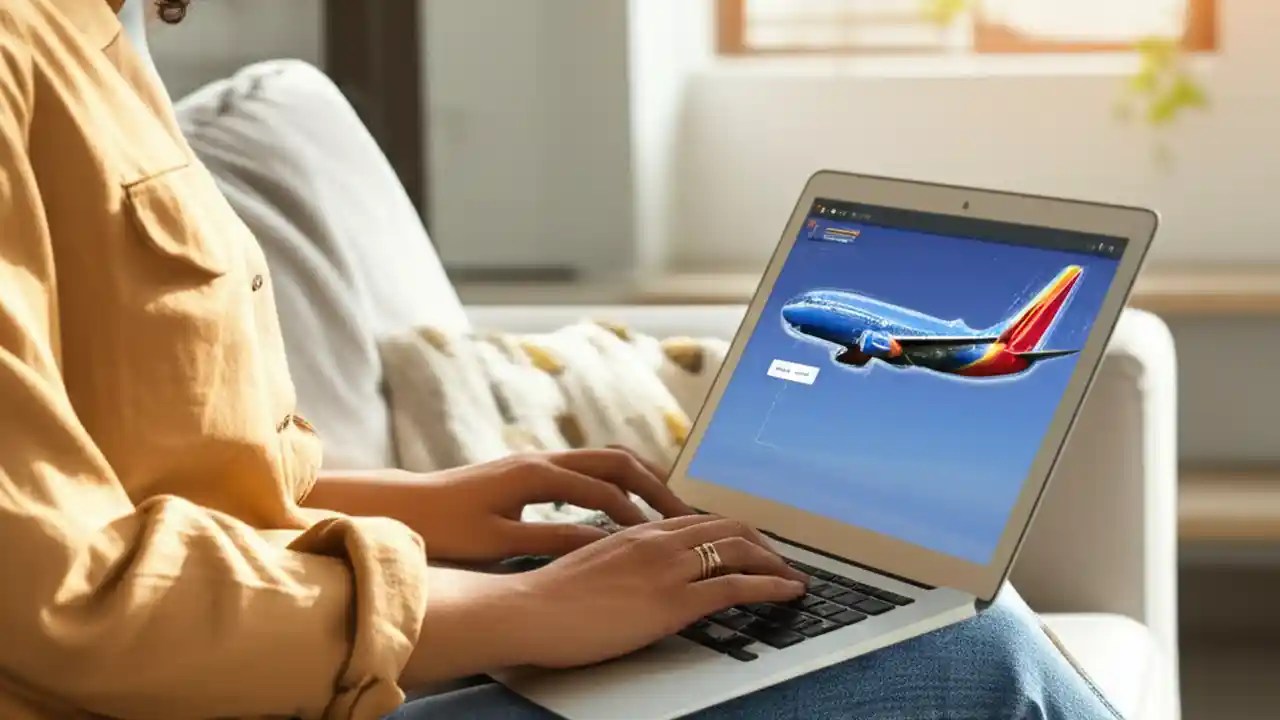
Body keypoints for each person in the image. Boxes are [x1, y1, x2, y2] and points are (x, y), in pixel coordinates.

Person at [0, 1, 1123, 718]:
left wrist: (424, 507)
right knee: (981, 659)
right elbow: (50, 591)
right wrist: (520, 617)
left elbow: (146, 475)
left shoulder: (99, 38)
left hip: (246, 661)